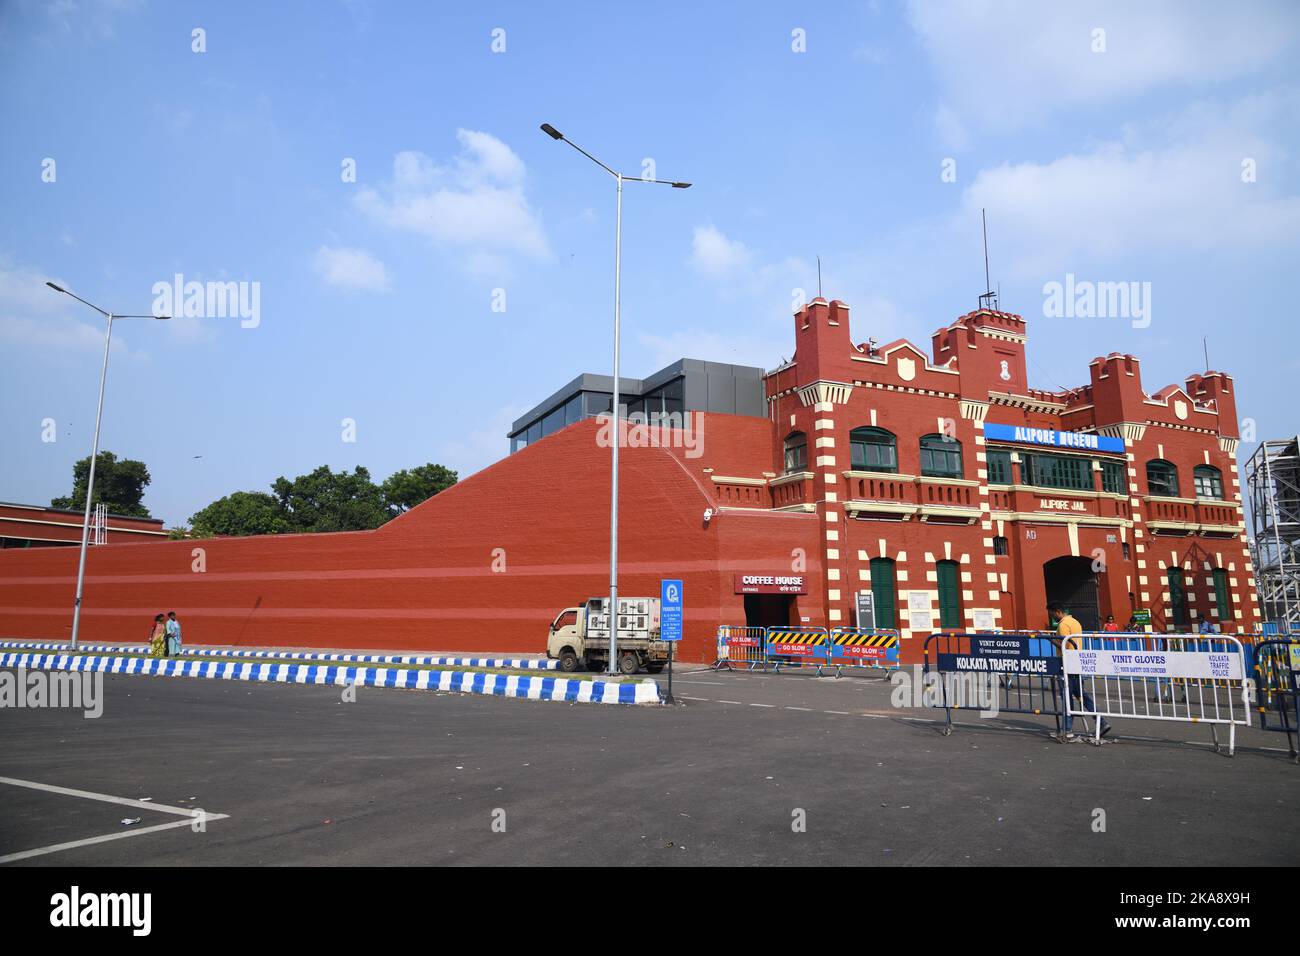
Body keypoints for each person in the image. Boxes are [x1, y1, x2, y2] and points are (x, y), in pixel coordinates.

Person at [1051, 604, 1112, 742]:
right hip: (1077, 662)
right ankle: (1101, 722)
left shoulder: (1063, 625)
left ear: (1058, 611)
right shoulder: (1075, 622)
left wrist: (1051, 640)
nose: (1052, 617)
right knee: (1082, 695)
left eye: (1052, 614)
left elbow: (1064, 644)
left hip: (1066, 663)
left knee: (1067, 696)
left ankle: (1068, 729)